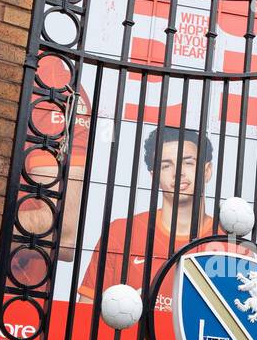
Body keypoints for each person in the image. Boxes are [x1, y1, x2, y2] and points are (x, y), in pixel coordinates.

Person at [77, 125, 218, 305]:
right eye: (166, 166)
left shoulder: (226, 241)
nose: (178, 173)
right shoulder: (120, 233)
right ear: (154, 176)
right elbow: (85, 313)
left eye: (188, 162)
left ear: (207, 171)